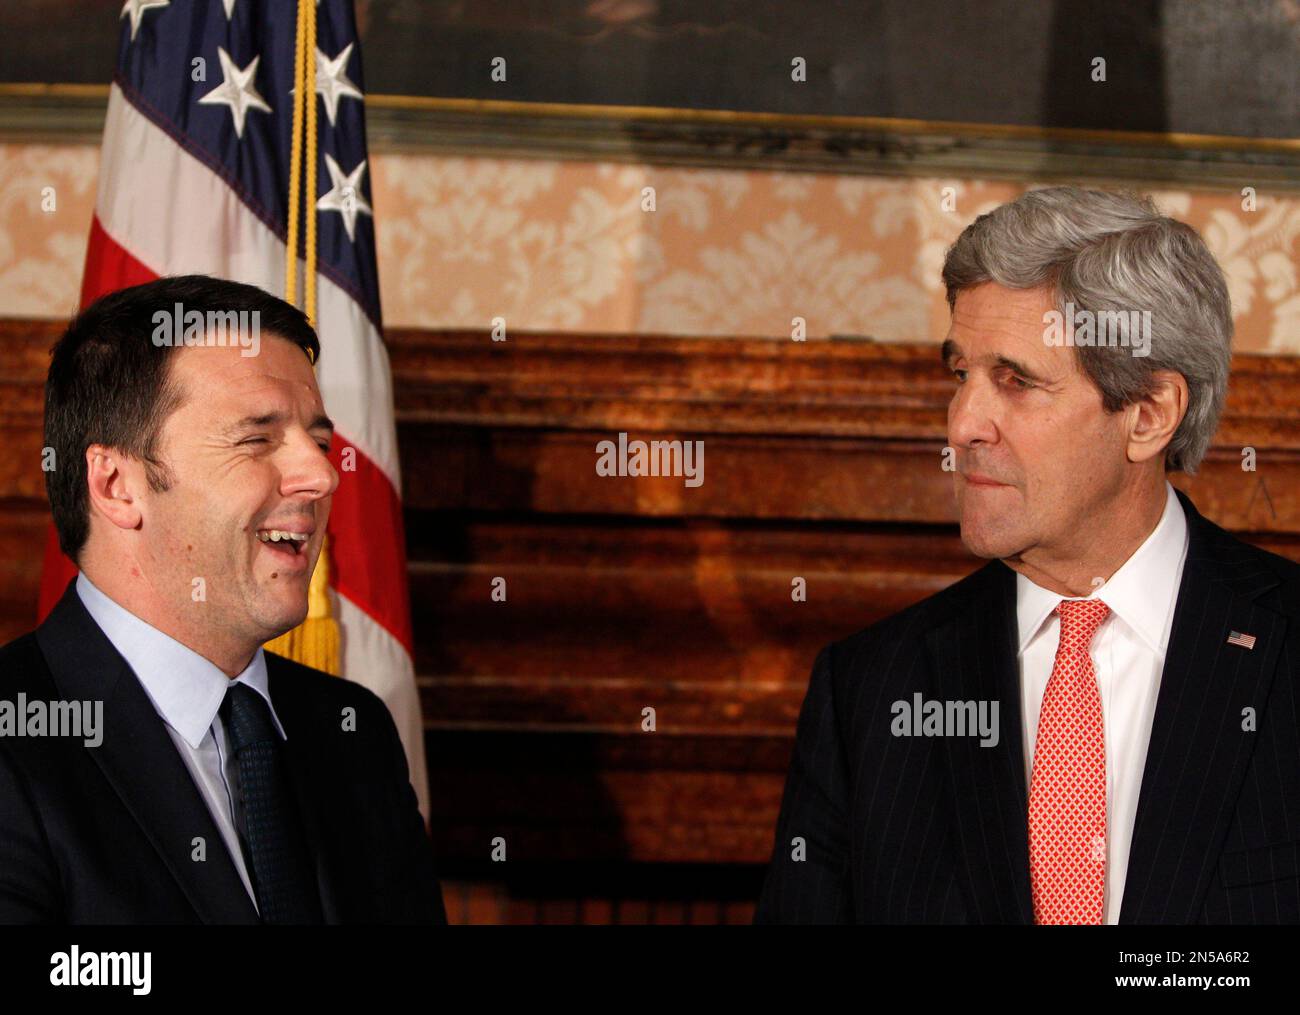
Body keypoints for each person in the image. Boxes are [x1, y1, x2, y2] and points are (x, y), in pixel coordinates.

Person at [756, 187, 1300, 924]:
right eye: (960, 375)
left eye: (1015, 381)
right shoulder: (872, 689)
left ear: (1148, 416)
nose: (963, 423)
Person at [0, 275, 446, 924]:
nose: (322, 475)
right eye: (256, 438)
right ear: (119, 485)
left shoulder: (354, 731)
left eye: (319, 442)